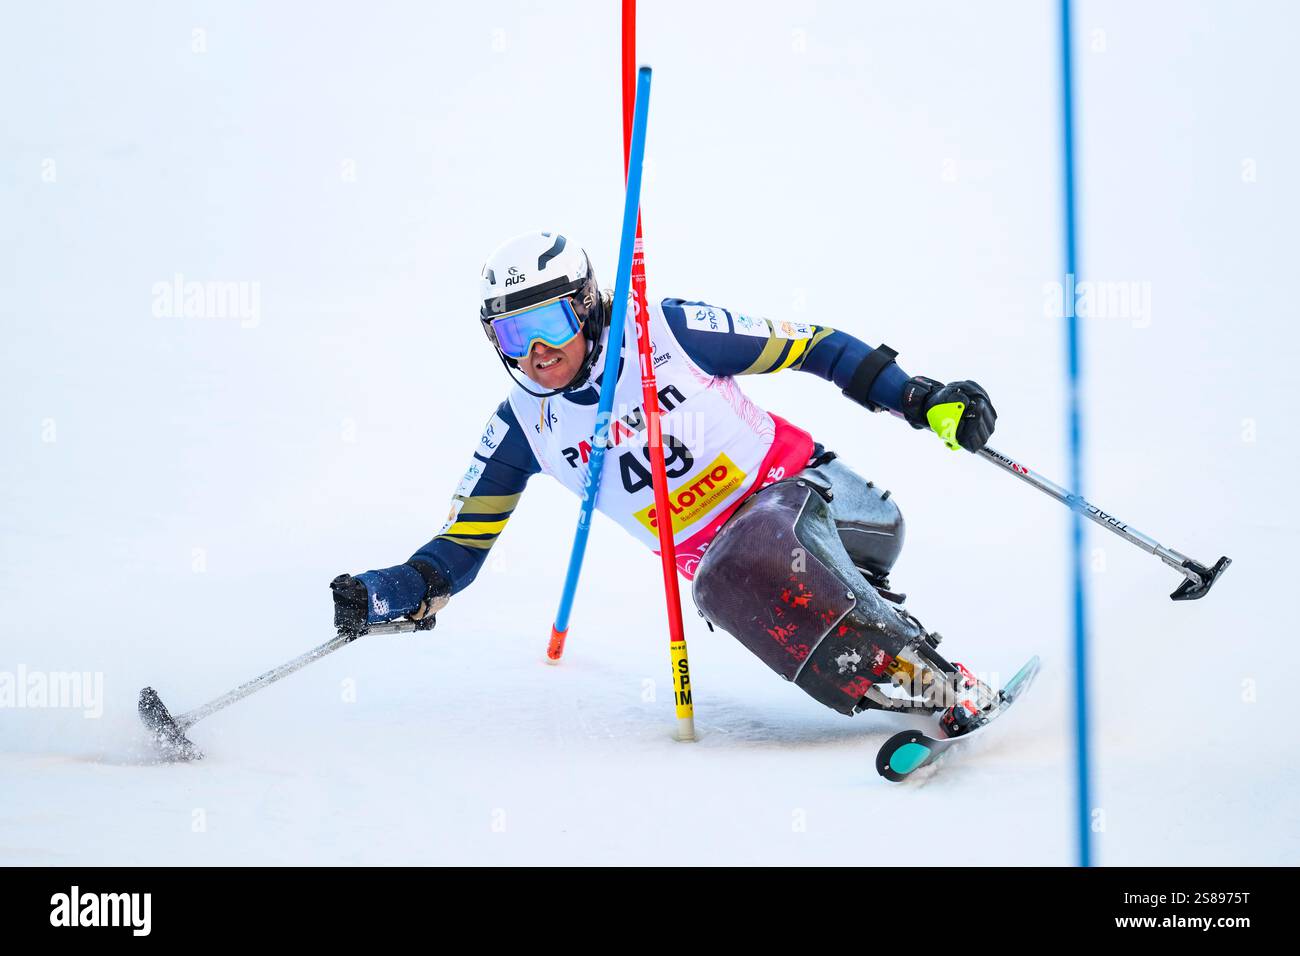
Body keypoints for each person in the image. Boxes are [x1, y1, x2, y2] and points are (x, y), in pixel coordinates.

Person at [331, 231, 1001, 735]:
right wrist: (394, 590)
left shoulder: (668, 334)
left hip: (834, 508)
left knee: (749, 549)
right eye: (510, 334)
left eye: (547, 325)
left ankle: (939, 679)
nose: (535, 352)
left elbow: (814, 345)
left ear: (587, 308)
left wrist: (919, 397)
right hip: (750, 582)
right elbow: (460, 548)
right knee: (723, 575)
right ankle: (893, 683)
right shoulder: (523, 426)